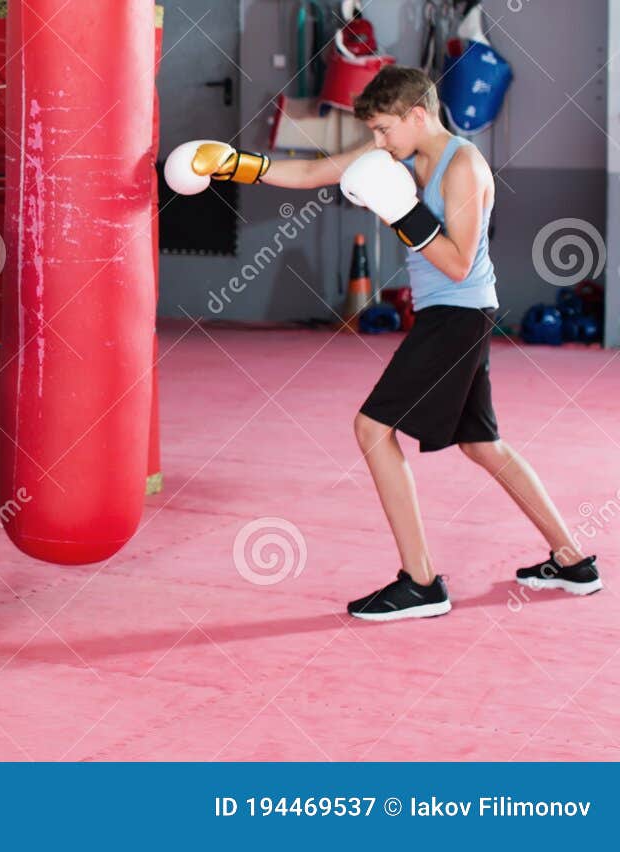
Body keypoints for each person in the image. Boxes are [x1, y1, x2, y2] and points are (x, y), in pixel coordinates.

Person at [166, 65, 601, 620]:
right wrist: (233, 165)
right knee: (483, 445)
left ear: (417, 115)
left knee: (372, 428)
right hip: (448, 313)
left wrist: (400, 211)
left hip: (459, 314)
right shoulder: (395, 159)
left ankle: (421, 582)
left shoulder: (462, 166)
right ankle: (571, 563)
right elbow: (312, 171)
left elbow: (459, 261)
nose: (376, 143)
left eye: (382, 130)